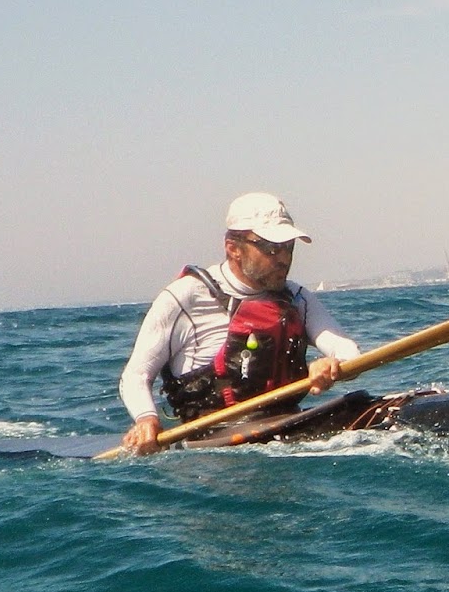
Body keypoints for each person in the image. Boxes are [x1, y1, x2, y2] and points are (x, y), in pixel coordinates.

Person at [118, 193, 360, 454]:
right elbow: (136, 375)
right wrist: (146, 419)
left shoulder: (298, 298)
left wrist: (332, 364)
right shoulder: (185, 296)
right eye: (270, 248)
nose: (283, 258)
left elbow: (349, 354)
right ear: (233, 247)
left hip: (287, 426)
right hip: (215, 447)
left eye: (289, 247)